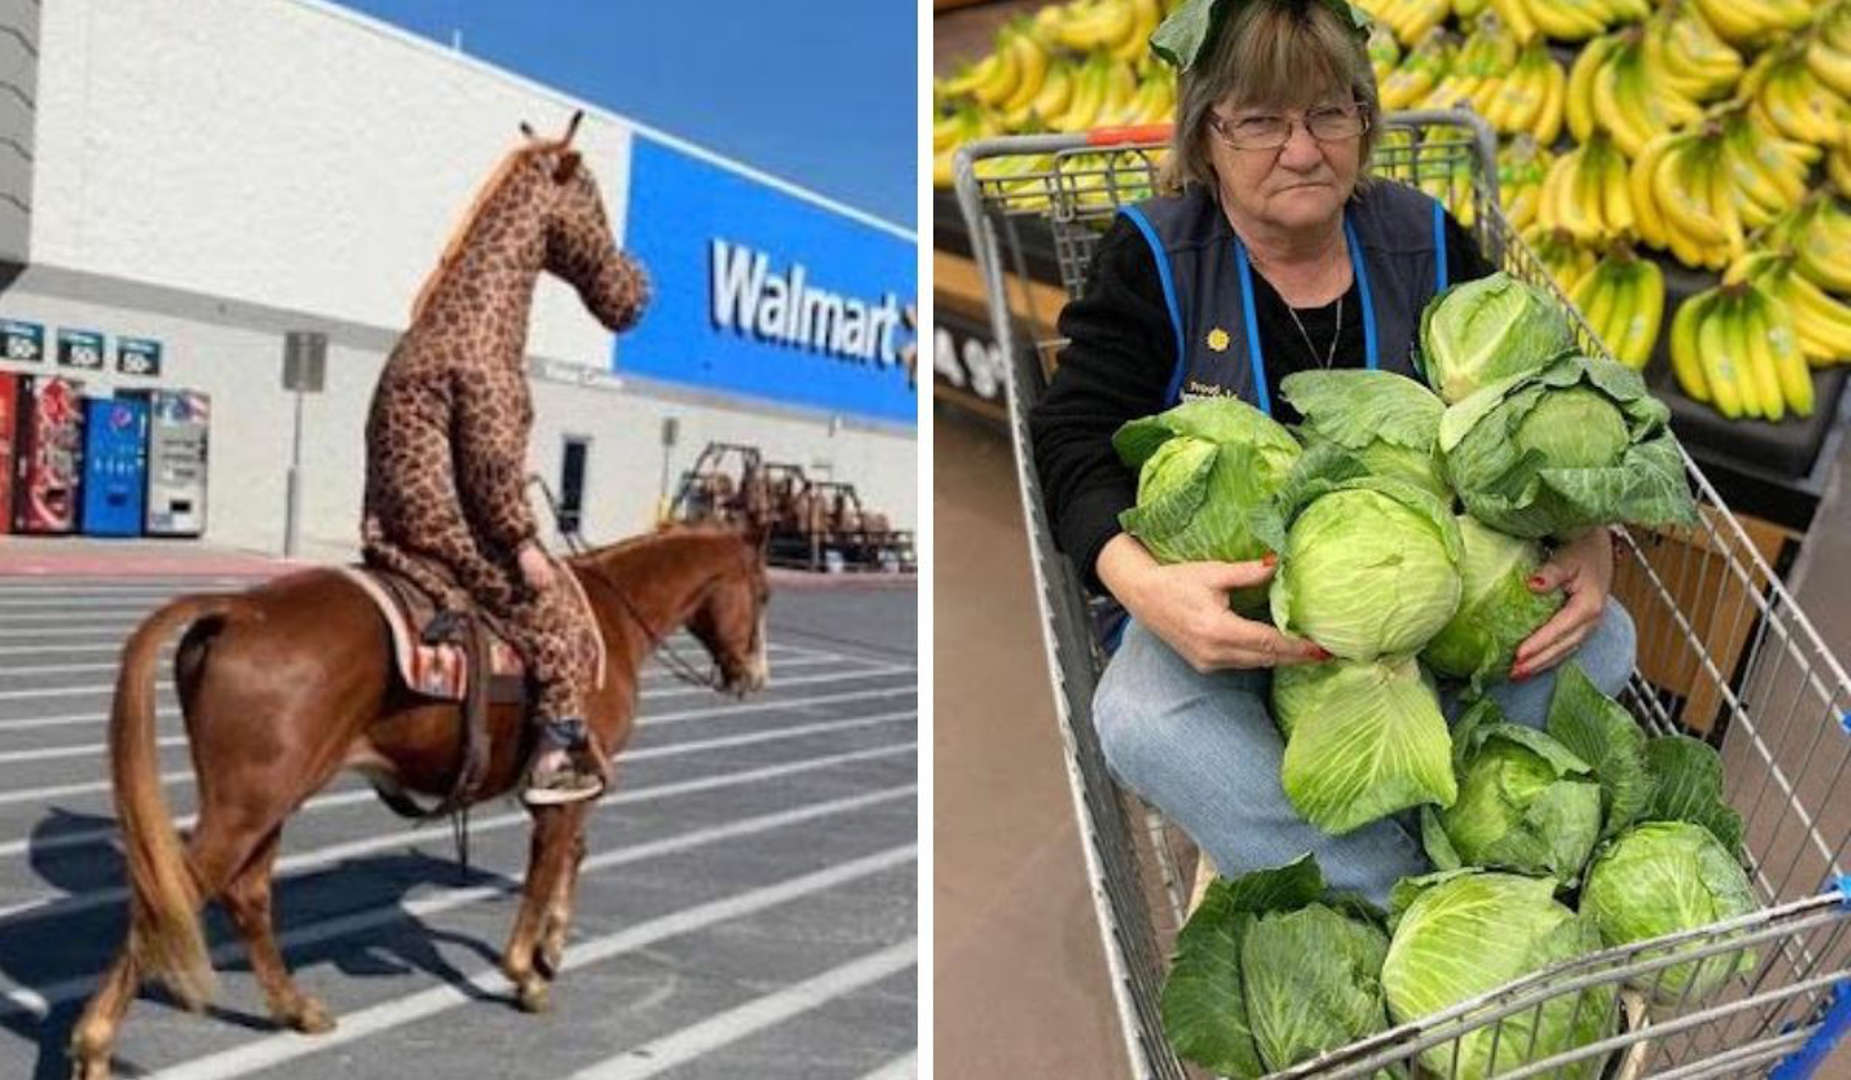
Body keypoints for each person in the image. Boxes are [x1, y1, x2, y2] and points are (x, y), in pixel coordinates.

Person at [1028, 0, 1635, 905]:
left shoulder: (1421, 238)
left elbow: (1530, 402)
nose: (1302, 151)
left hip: (1422, 607)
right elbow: (1071, 436)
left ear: (1364, 120)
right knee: (1142, 721)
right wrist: (1146, 588)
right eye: (1260, 121)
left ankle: (1328, 842)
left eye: (1328, 114)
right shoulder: (1155, 256)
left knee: (1603, 640)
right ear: (1205, 136)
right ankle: (1400, 891)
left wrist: (1585, 534)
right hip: (1238, 619)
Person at [362, 120, 651, 806]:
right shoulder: (482, 347)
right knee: (556, 619)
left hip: (391, 522)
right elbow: (492, 463)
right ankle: (556, 753)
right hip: (444, 530)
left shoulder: (432, 331)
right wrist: (520, 541)